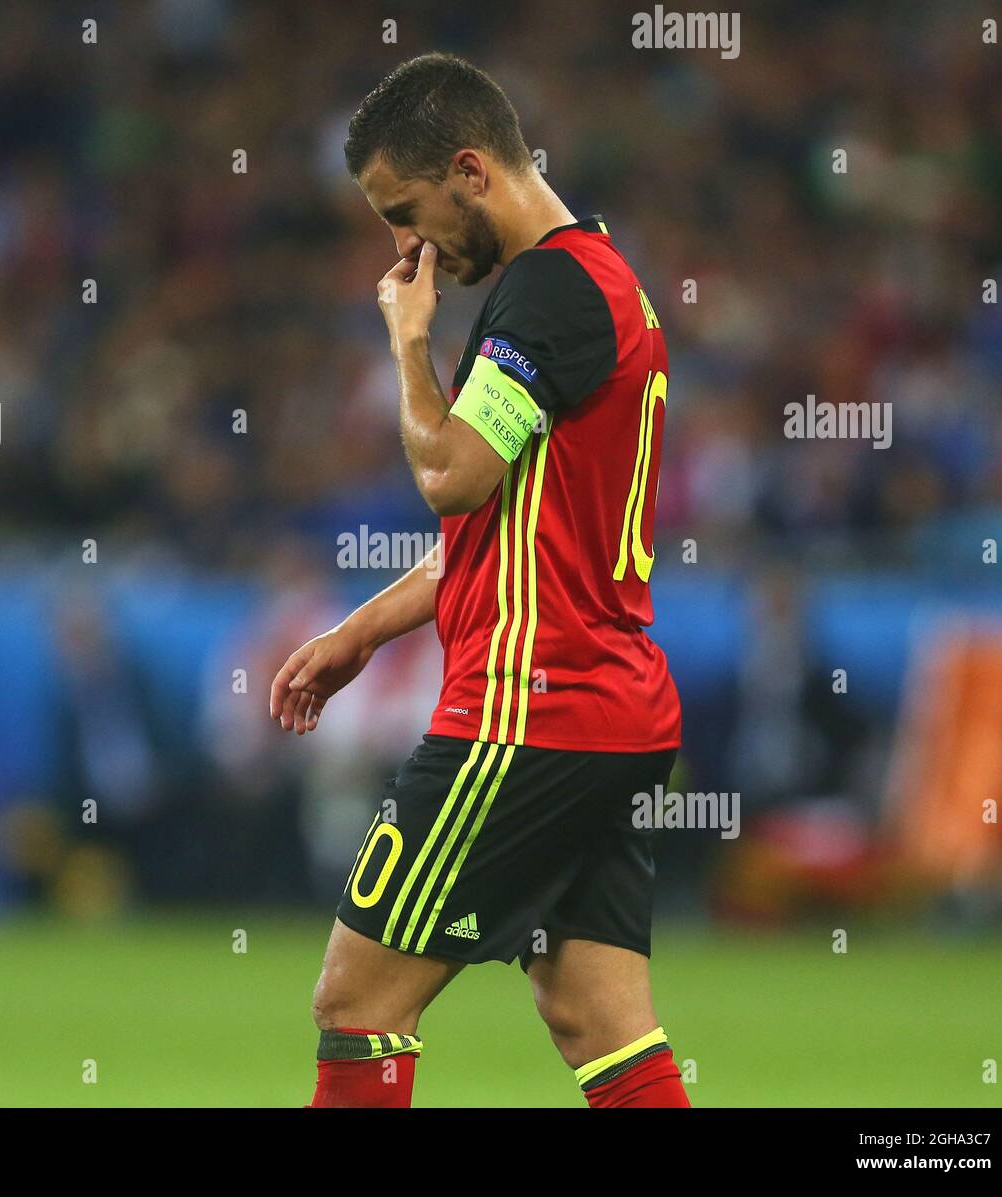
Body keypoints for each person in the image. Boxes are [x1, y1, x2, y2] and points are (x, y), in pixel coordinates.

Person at [270, 54, 686, 1109]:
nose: (403, 248)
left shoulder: (548, 291)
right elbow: (499, 530)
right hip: (609, 710)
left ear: (468, 170)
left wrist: (408, 350)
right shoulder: (600, 283)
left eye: (402, 213)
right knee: (598, 1020)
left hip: (525, 713)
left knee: (357, 1004)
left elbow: (452, 478)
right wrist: (363, 630)